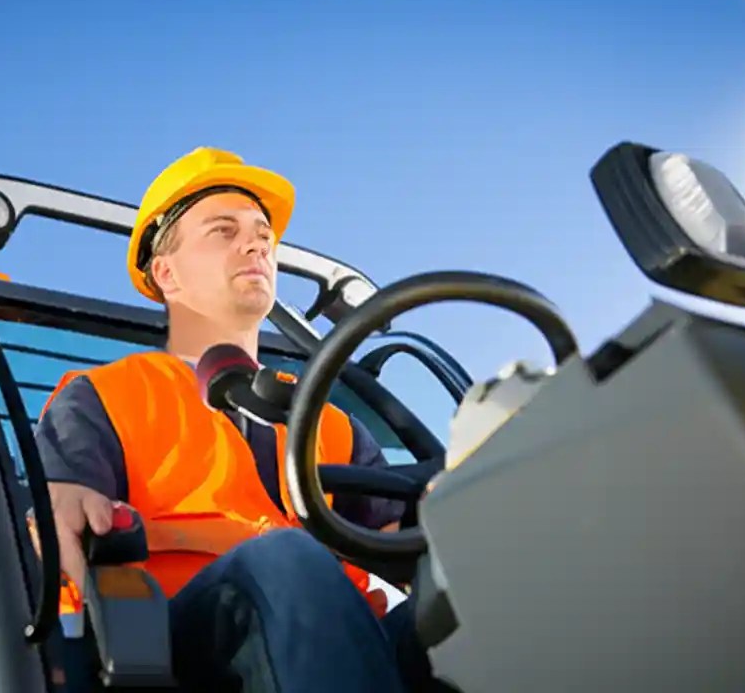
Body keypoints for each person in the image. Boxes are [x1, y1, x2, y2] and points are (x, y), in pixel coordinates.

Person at [33, 147, 447, 692]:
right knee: (286, 561)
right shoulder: (102, 398)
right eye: (223, 231)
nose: (255, 244)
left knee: (477, 588)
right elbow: (59, 523)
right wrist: (58, 507)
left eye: (262, 235)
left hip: (339, 642)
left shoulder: (327, 420)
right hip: (173, 650)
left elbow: (399, 541)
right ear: (167, 273)